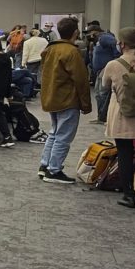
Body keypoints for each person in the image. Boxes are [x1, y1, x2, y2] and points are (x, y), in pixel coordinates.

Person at [101, 28, 135, 208]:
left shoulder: (114, 64)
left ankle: (128, 195)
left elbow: (104, 85)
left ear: (122, 44)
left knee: (124, 153)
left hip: (124, 115)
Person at [38, 17, 91, 184]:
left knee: (54, 133)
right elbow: (81, 80)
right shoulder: (71, 51)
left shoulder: (49, 49)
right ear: (75, 32)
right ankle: (54, 170)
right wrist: (86, 104)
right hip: (68, 99)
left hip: (51, 97)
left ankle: (45, 166)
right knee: (63, 137)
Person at [90, 28, 117, 124]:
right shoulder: (98, 41)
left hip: (104, 70)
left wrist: (110, 65)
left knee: (102, 94)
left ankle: (104, 117)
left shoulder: (104, 37)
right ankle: (101, 117)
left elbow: (115, 45)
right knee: (99, 95)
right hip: (99, 71)